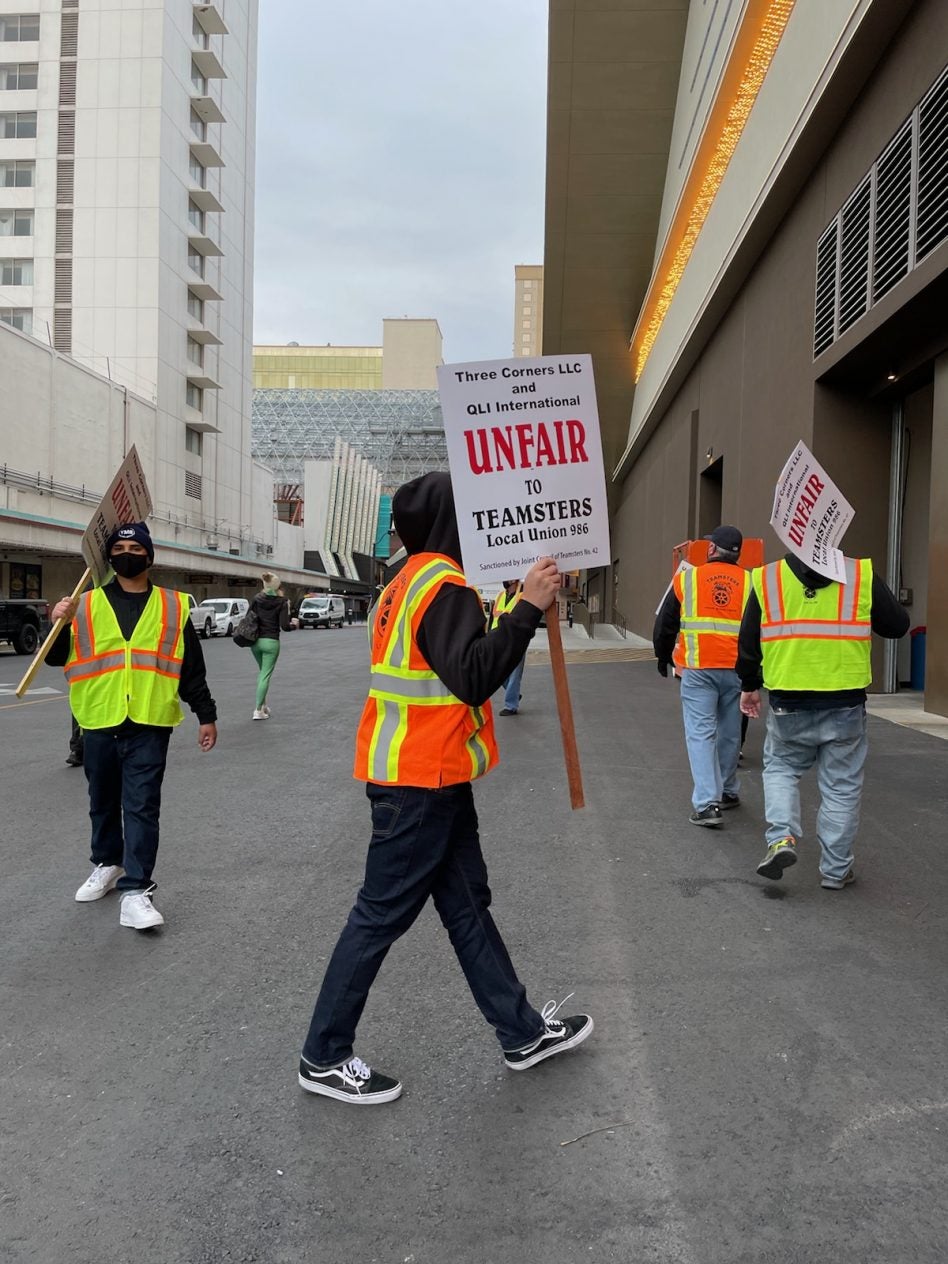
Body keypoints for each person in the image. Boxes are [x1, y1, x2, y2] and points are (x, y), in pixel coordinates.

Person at [298, 472, 593, 1105]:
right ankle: (323, 1054)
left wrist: (519, 606)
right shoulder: (442, 584)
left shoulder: (404, 583)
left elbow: (455, 665)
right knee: (378, 916)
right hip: (420, 784)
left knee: (466, 906)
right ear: (451, 522)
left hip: (426, 777)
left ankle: (520, 1033)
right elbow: (473, 675)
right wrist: (526, 610)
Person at [47, 522, 217, 929]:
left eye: (135, 547)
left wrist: (206, 714)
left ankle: (137, 890)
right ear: (109, 556)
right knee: (102, 801)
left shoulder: (173, 606)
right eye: (119, 547)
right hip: (98, 718)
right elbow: (55, 659)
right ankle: (107, 863)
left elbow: (191, 666)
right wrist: (56, 620)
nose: (128, 553)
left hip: (149, 720)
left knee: (141, 806)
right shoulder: (84, 604)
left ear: (149, 555)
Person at [738, 551, 908, 889]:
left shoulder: (769, 577)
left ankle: (782, 838)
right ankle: (835, 870)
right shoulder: (859, 575)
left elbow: (748, 639)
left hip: (789, 700)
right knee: (841, 787)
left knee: (781, 770)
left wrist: (749, 685)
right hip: (844, 702)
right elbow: (897, 626)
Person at [653, 527, 750, 827]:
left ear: (711, 550)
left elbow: (666, 623)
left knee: (701, 733)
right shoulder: (751, 582)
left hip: (698, 670)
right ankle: (729, 790)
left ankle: (708, 803)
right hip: (737, 671)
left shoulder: (687, 579)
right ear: (737, 554)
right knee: (731, 733)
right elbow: (759, 629)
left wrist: (662, 655)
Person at [248, 572, 291, 720]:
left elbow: (248, 617)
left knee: (262, 674)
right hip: (271, 642)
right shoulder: (282, 602)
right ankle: (258, 710)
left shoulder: (256, 599)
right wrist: (295, 624)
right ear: (277, 586)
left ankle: (264, 706)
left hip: (255, 642)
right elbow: (285, 626)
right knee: (265, 675)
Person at [491, 578, 526, 716]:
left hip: (515, 639)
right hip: (497, 638)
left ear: (516, 580)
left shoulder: (522, 596)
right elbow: (493, 618)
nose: (505, 580)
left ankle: (510, 705)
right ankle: (514, 694)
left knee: (514, 674)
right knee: (495, 671)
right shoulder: (500, 595)